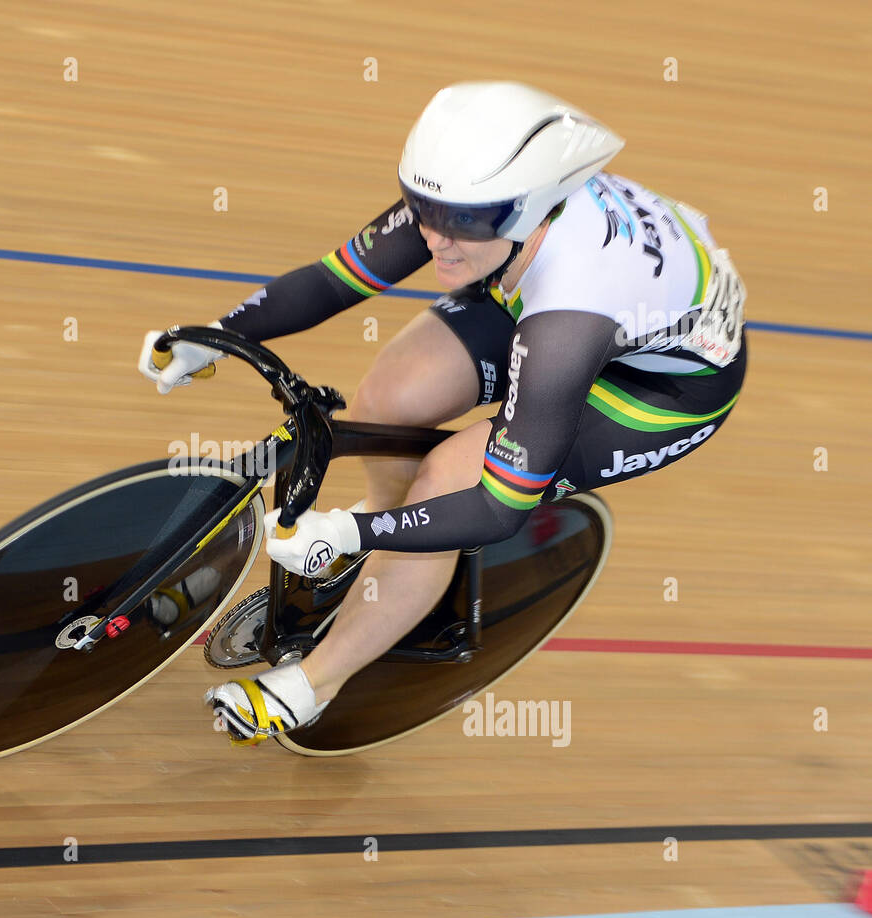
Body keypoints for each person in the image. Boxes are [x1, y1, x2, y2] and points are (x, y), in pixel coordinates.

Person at [137, 80, 747, 745]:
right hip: (541, 288)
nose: (434, 239)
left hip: (660, 392)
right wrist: (216, 333)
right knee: (389, 398)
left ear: (526, 210)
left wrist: (353, 533)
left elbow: (497, 508)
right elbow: (333, 279)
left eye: (460, 222)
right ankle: (398, 569)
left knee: (450, 480)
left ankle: (317, 683)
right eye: (422, 208)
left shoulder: (568, 309)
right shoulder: (473, 210)